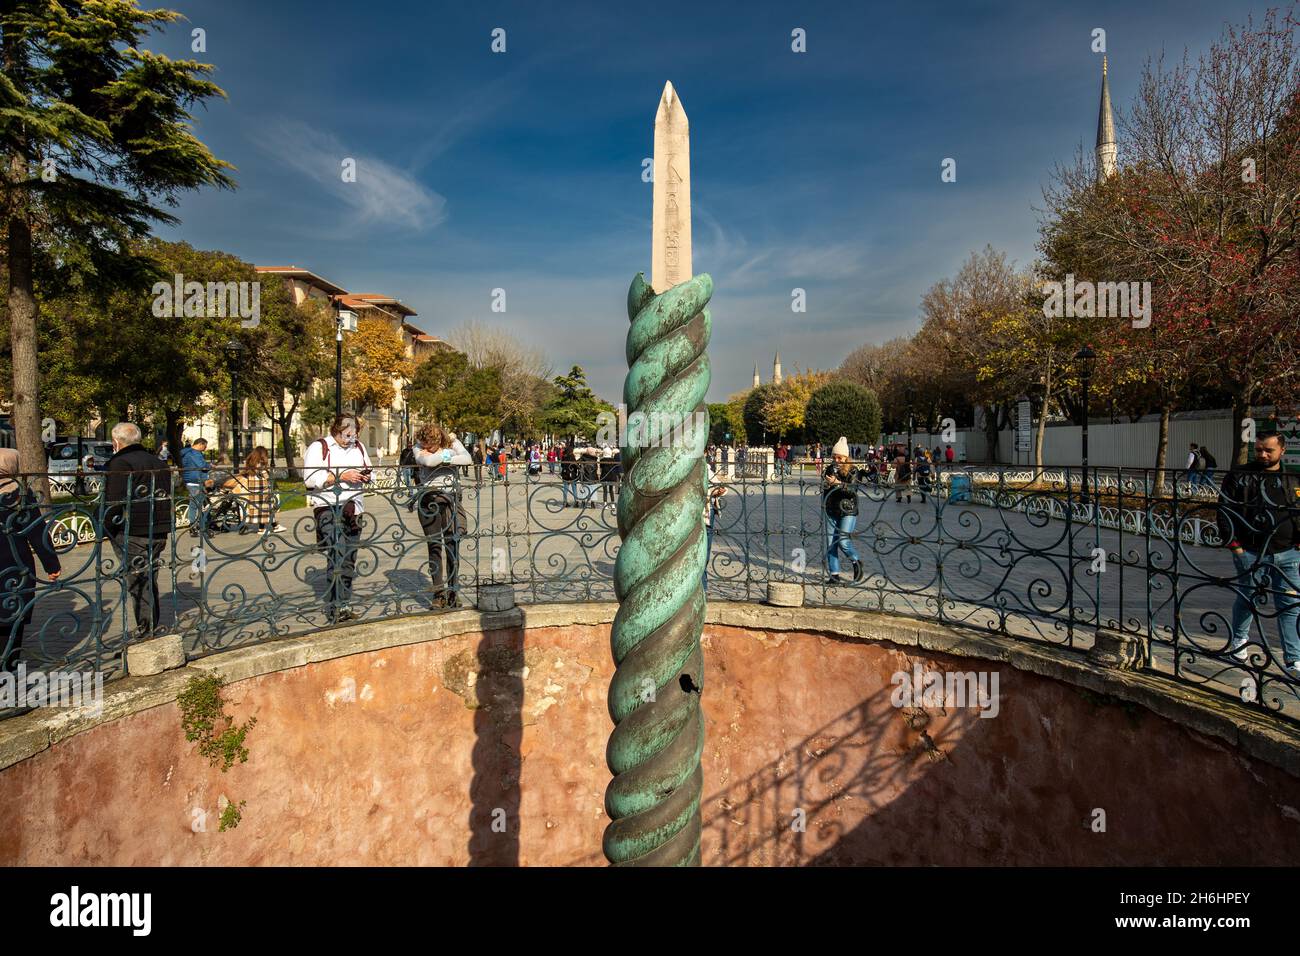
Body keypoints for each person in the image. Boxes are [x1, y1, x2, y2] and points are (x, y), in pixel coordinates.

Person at [1216, 430, 1300, 678]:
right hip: (1251, 552)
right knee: (1248, 596)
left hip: (1288, 553)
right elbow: (1224, 511)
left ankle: (1293, 660)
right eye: (1259, 449)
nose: (1263, 454)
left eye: (1269, 450)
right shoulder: (1240, 476)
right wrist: (1235, 547)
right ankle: (1239, 643)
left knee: (1290, 604)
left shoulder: (1292, 478)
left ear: (1282, 450)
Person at [103, 422, 173, 637]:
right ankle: (149, 624)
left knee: (138, 582)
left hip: (133, 530)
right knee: (147, 577)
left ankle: (146, 628)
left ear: (116, 442)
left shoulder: (121, 462)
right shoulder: (157, 461)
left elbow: (114, 500)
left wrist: (106, 527)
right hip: (158, 528)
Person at [303, 414, 373, 624]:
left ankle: (344, 604)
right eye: (348, 434)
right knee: (337, 553)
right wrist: (341, 476)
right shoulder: (320, 447)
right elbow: (309, 478)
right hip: (328, 507)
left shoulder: (358, 447)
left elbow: (371, 471)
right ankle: (334, 607)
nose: (352, 438)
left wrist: (367, 476)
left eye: (354, 434)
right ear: (337, 430)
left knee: (349, 557)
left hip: (355, 508)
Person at [0, 450, 61, 672]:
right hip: (14, 566)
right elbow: (37, 533)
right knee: (11, 621)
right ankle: (8, 669)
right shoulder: (19, 495)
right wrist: (52, 565)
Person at [412, 424, 472, 609]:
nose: (425, 448)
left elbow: (468, 459)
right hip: (428, 500)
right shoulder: (418, 446)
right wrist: (450, 456)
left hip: (450, 501)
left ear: (437, 441)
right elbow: (428, 463)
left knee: (452, 546)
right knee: (434, 546)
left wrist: (444, 456)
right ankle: (438, 594)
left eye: (429, 445)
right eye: (423, 444)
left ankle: (454, 591)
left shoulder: (453, 442)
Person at [822, 437, 866, 586]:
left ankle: (856, 562)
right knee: (830, 543)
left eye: (839, 457)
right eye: (834, 456)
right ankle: (834, 575)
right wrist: (827, 484)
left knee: (843, 541)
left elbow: (853, 491)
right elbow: (826, 488)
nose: (836, 459)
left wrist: (838, 483)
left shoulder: (853, 470)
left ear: (846, 457)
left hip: (848, 509)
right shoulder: (829, 468)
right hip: (831, 509)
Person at [221, 446, 283, 534]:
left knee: (258, 508)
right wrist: (270, 477)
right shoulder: (261, 463)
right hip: (260, 487)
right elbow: (265, 475)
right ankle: (271, 526)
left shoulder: (251, 461)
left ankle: (263, 528)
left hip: (252, 486)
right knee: (266, 507)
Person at [180, 438, 213, 538]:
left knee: (198, 504)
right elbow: (202, 465)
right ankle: (198, 527)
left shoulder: (187, 452)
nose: (205, 448)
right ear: (199, 444)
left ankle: (199, 526)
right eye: (205, 446)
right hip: (196, 481)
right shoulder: (195, 453)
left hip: (191, 480)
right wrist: (210, 465)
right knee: (198, 505)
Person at [703, 459, 727, 593]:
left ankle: (703, 588)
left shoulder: (705, 468)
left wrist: (719, 490)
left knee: (705, 553)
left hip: (708, 513)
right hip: (698, 513)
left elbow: (719, 486)